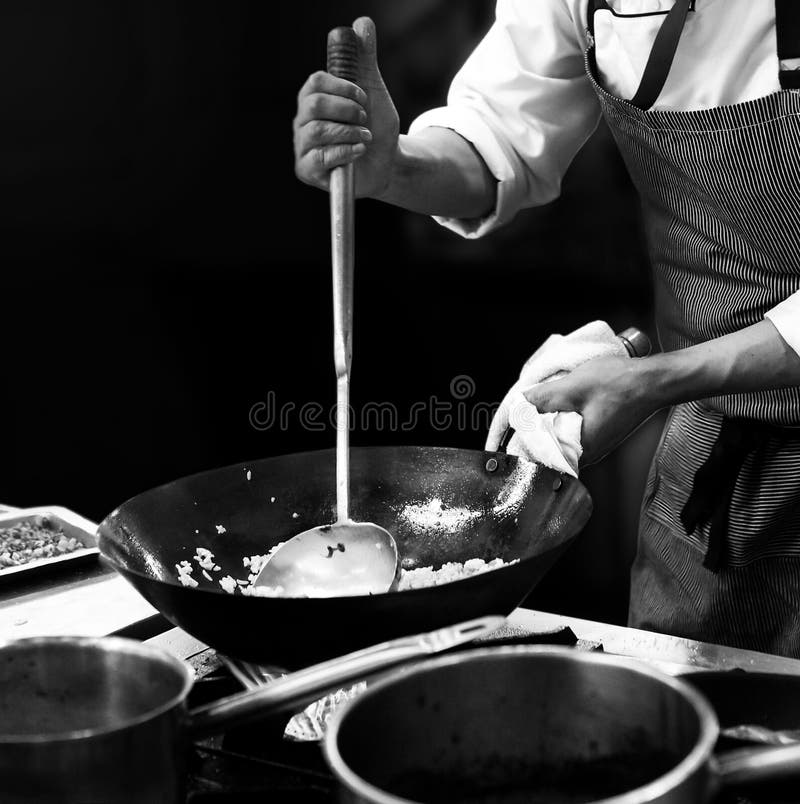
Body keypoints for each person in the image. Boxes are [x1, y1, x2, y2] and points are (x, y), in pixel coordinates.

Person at [292, 3, 800, 657]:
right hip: (714, 479)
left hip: (692, 394)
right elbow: (500, 139)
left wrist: (654, 380)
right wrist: (395, 167)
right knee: (691, 730)